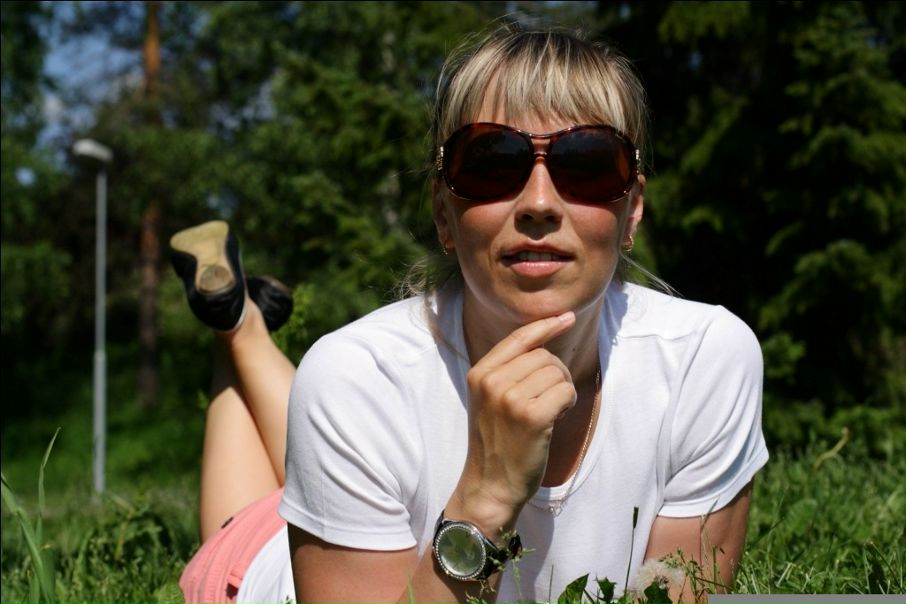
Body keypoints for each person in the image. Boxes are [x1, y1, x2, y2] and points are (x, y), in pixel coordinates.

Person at [173, 22, 768, 604]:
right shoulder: (353, 376)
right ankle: (237, 326)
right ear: (443, 213)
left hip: (355, 520)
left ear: (632, 208)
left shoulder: (704, 361)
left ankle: (236, 318)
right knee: (243, 514)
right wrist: (488, 495)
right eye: (492, 163)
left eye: (587, 163)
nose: (539, 203)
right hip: (270, 571)